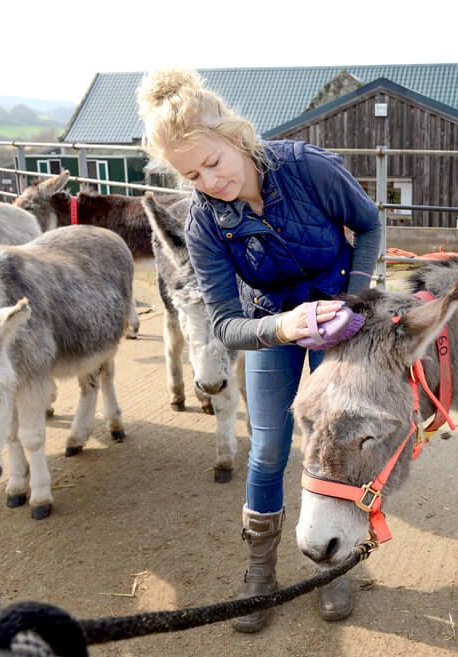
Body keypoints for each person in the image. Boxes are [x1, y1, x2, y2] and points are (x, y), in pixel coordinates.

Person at [137, 67, 382, 632]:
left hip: (341, 313)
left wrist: (357, 297)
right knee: (268, 448)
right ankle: (260, 573)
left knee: (336, 441)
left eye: (214, 163)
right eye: (191, 174)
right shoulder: (204, 223)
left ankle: (335, 562)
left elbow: (368, 225)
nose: (210, 180)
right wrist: (284, 327)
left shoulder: (307, 168)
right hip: (273, 321)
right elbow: (224, 323)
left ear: (237, 137)